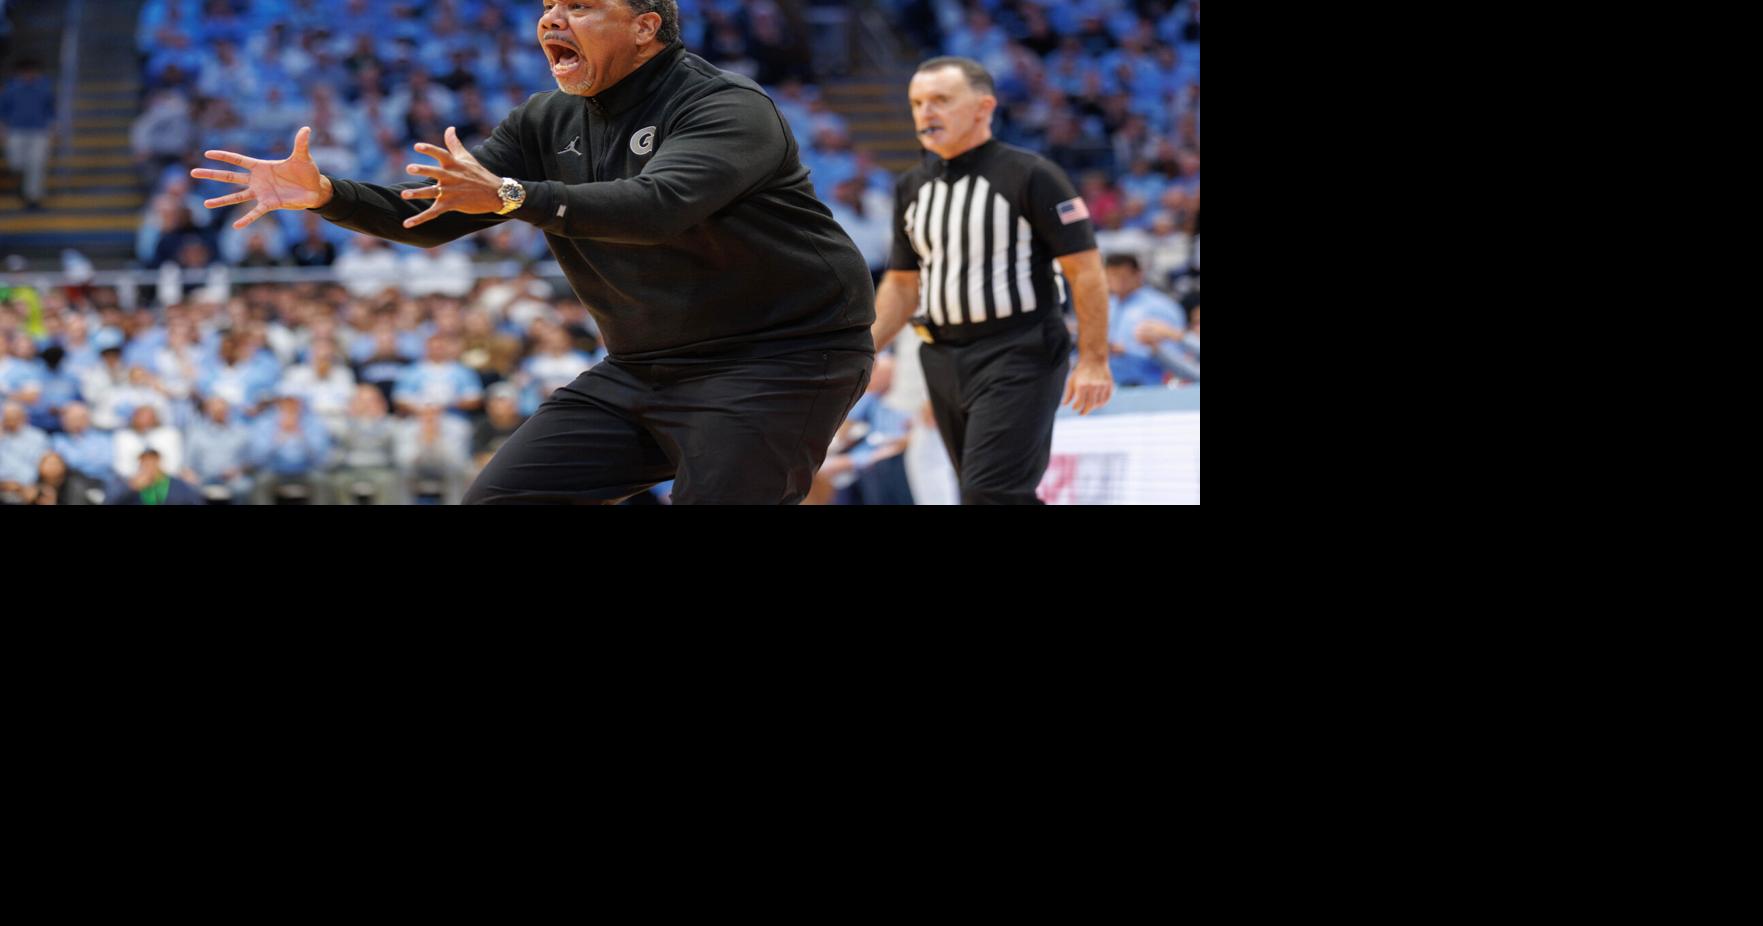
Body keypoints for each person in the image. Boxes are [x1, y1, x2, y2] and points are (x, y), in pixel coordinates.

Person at [192, 0, 874, 504]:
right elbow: (432, 217)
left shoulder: (724, 105)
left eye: (578, 6)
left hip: (781, 356)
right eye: (548, 6)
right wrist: (326, 194)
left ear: (646, 26)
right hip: (642, 366)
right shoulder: (545, 118)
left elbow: (659, 207)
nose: (552, 19)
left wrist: (515, 195)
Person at [870, 57, 1113, 505]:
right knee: (997, 495)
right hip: (940, 356)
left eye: (941, 100)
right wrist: (864, 348)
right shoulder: (911, 186)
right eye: (918, 103)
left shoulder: (1032, 175)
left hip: (1019, 349)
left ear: (984, 107)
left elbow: (1087, 271)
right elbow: (903, 285)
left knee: (987, 492)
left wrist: (1094, 359)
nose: (926, 112)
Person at [1103, 253, 1185, 387]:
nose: (1116, 282)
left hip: (1151, 384)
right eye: (1111, 276)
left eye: (1122, 277)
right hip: (1109, 383)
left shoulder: (1162, 306)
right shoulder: (1106, 306)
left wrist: (1128, 350)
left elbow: (1176, 352)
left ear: (1138, 275)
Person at [0, 58, 55, 211]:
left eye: (33, 71)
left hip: (38, 131)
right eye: (27, 71)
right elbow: (3, 109)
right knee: (16, 163)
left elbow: (50, 109)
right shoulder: (11, 89)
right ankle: (23, 186)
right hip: (16, 130)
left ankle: (33, 196)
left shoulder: (45, 88)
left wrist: (52, 127)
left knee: (37, 164)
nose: (30, 75)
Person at [104, 448, 205, 505]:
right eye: (144, 462)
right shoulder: (129, 485)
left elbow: (196, 501)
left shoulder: (177, 485)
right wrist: (131, 488)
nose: (148, 466)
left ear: (159, 462)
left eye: (152, 462)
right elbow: (109, 502)